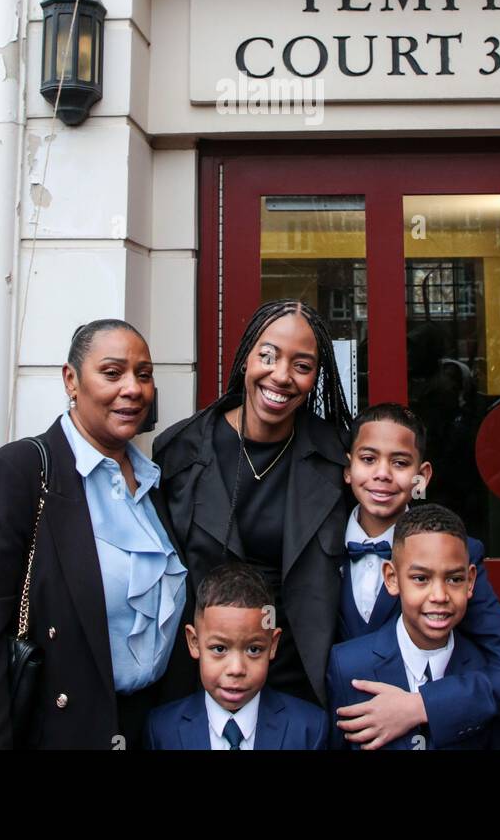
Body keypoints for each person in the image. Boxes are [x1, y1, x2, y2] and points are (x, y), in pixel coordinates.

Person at [0, 319, 186, 749]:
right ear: (71, 380)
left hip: (147, 729)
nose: (133, 388)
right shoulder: (18, 473)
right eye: (112, 373)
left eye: (144, 375)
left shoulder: (155, 484)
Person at [153, 299, 352, 707]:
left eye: (302, 365)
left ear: (317, 377)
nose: (281, 376)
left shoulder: (339, 459)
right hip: (203, 681)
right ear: (246, 358)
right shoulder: (180, 451)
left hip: (303, 681)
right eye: (268, 356)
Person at [334, 402, 500, 748]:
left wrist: (422, 705)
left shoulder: (457, 555)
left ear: (422, 476)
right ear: (348, 469)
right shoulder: (315, 549)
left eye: (400, 463)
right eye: (368, 460)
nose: (383, 473)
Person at [327, 504, 500, 750]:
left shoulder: (487, 672)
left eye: (454, 579)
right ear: (392, 578)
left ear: (471, 581)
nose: (439, 595)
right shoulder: (347, 665)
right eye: (421, 579)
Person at [144, 562, 328, 750]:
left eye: (254, 650)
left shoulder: (309, 729)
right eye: (219, 649)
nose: (236, 669)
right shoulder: (162, 730)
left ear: (273, 645)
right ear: (194, 642)